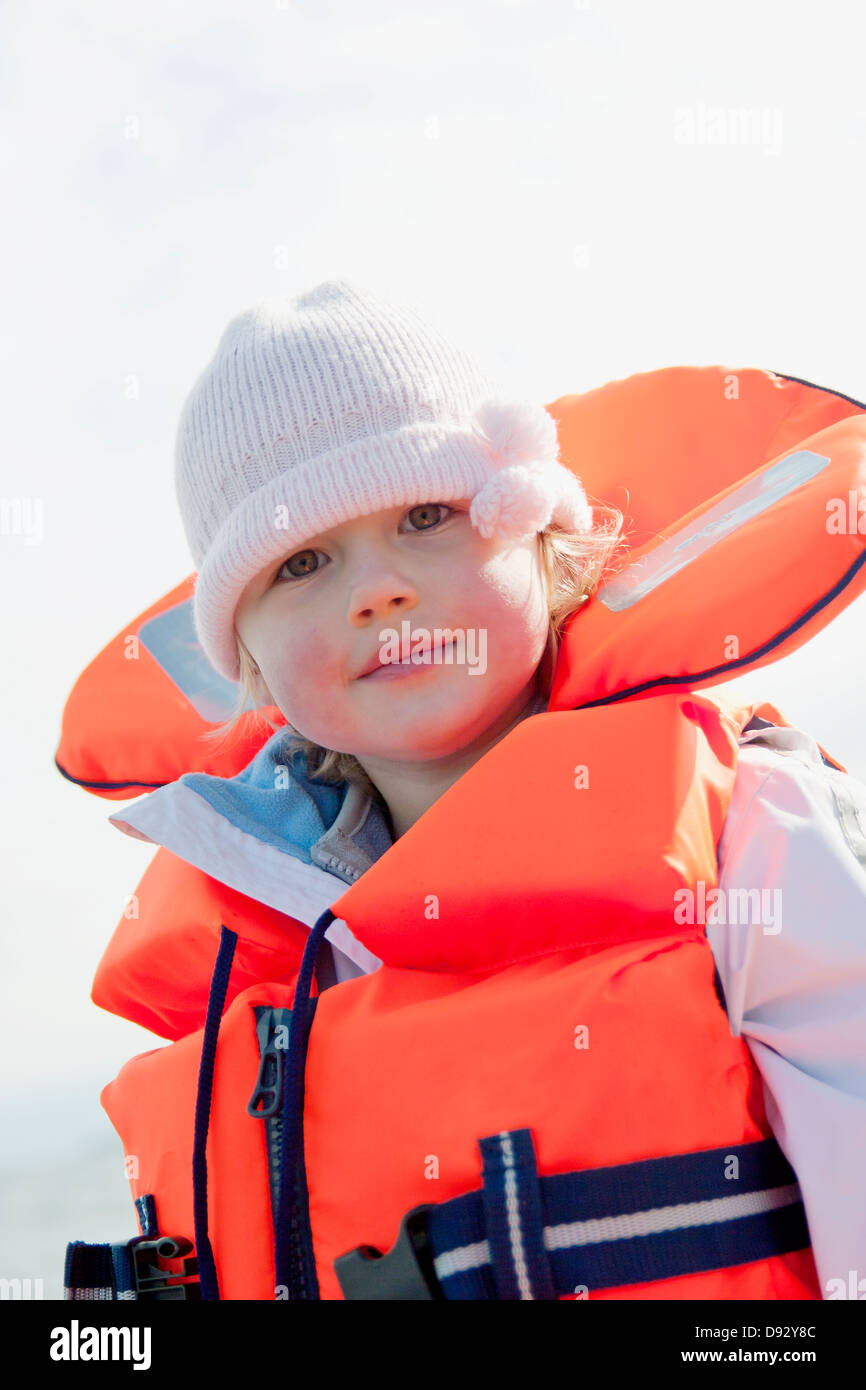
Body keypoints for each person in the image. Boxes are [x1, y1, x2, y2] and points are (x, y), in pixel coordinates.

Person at [89, 279, 866, 1300]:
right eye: (302, 562)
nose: (378, 588)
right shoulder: (251, 947)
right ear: (249, 665)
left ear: (542, 540)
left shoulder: (759, 839)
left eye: (426, 514)